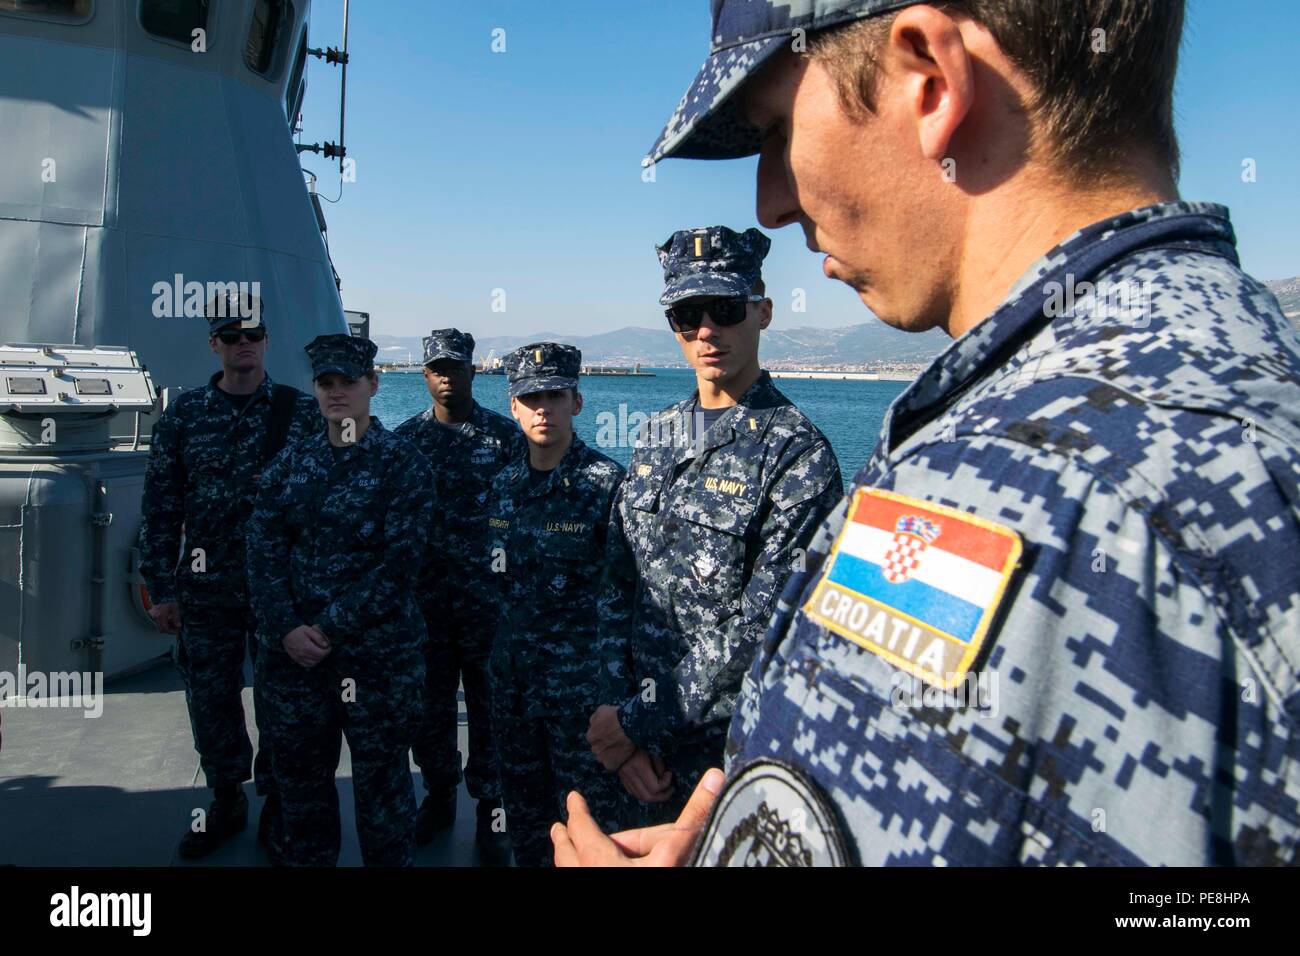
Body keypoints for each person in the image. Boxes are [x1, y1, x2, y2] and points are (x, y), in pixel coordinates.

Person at [557, 0, 1300, 867]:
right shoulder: (1195, 403)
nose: (769, 201)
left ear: (929, 78)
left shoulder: (1037, 469)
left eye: (774, 128)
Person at [586, 225, 842, 824]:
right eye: (686, 314)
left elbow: (764, 623)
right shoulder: (655, 439)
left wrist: (633, 723)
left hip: (724, 759)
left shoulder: (798, 457)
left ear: (763, 312)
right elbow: (616, 587)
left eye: (725, 309)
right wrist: (612, 716)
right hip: (630, 749)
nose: (707, 330)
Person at [137, 291, 320, 861]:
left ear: (266, 342)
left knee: (280, 703)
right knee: (211, 699)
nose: (244, 345)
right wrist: (162, 589)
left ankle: (276, 808)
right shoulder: (186, 415)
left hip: (278, 591)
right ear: (214, 344)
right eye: (232, 337)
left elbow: (321, 508)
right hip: (207, 587)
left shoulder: (300, 413)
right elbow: (162, 505)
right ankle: (224, 800)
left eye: (253, 337)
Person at [246, 333, 433, 866]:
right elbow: (261, 555)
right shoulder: (288, 467)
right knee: (302, 793)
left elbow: (399, 568)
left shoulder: (405, 466)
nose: (336, 392)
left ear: (372, 385)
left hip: (378, 661)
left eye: (347, 381)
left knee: (384, 794)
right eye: (325, 383)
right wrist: (285, 628)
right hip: (295, 664)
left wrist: (325, 629)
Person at [486, 343, 627, 866]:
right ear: (513, 407)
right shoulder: (501, 487)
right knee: (526, 824)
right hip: (513, 691)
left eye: (555, 394)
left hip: (580, 700)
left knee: (590, 828)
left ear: (577, 402)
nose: (543, 407)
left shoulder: (607, 487)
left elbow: (625, 599)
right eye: (531, 396)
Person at [395, 328, 523, 862]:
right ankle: (440, 793)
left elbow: (526, 515)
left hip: (488, 607)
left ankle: (491, 809)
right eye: (437, 369)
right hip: (426, 609)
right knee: (429, 707)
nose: (447, 377)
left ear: (473, 372)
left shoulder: (505, 439)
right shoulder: (405, 443)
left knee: (491, 709)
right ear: (426, 376)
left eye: (456, 367)